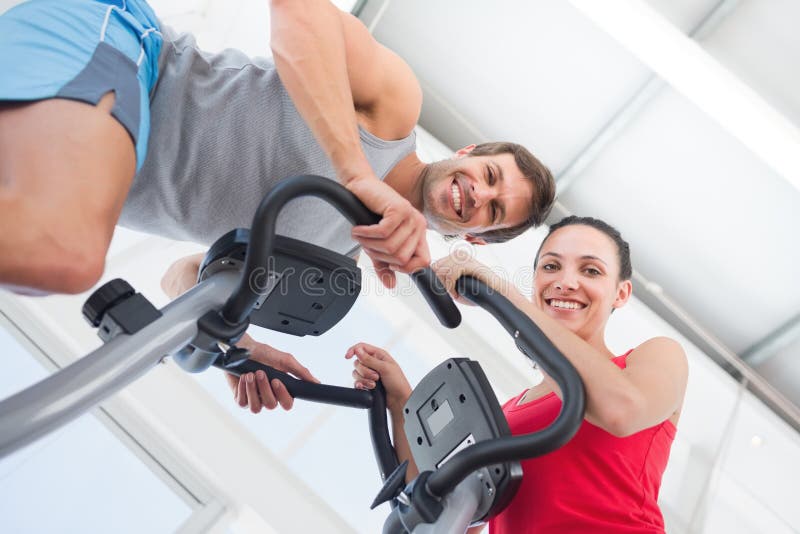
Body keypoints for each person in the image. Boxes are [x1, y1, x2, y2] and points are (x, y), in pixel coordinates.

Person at [0, 0, 554, 297]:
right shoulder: (392, 106)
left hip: (96, 177)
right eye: (489, 173)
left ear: (474, 238)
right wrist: (354, 171)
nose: (478, 192)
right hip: (127, 56)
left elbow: (182, 278)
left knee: (43, 266)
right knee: (62, 255)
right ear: (468, 150)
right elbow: (295, 9)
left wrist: (234, 349)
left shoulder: (333, 261)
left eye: (494, 209)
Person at [348, 216, 689, 533]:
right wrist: (400, 404)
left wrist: (498, 292)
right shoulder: (505, 417)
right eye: (551, 266)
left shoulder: (652, 358)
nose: (566, 282)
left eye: (591, 271)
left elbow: (621, 410)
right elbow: (445, 514)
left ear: (621, 293)